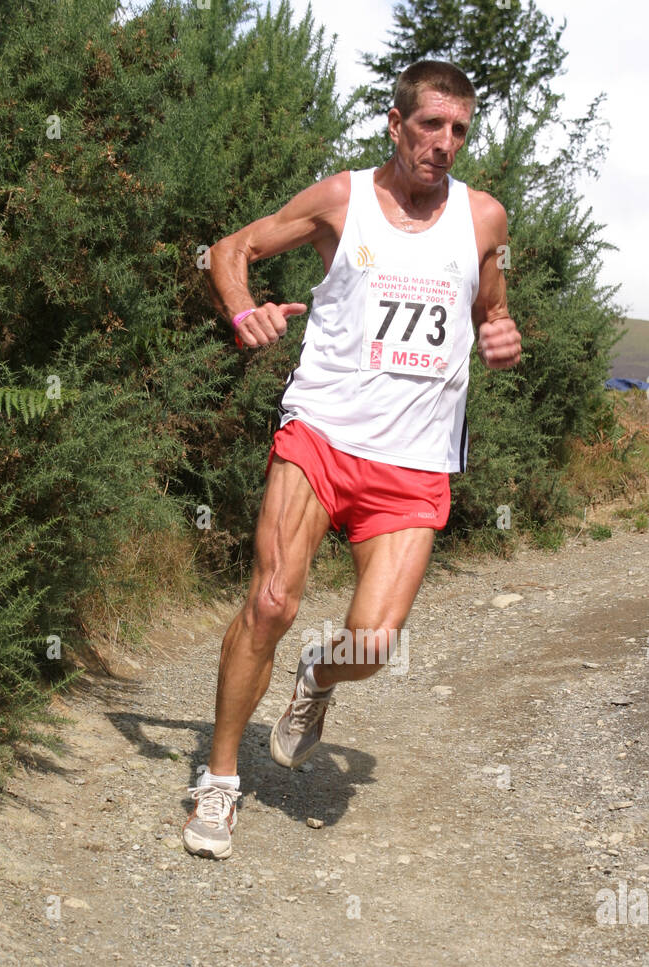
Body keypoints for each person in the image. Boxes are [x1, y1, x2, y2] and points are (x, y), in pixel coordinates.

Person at [184, 59, 521, 859]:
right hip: (324, 434)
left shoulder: (483, 218)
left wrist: (505, 334)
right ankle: (220, 781)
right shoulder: (343, 199)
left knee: (371, 643)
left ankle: (317, 678)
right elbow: (229, 250)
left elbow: (492, 306)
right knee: (270, 601)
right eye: (430, 125)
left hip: (414, 461)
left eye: (460, 131)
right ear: (396, 123)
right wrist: (242, 314)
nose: (444, 145)